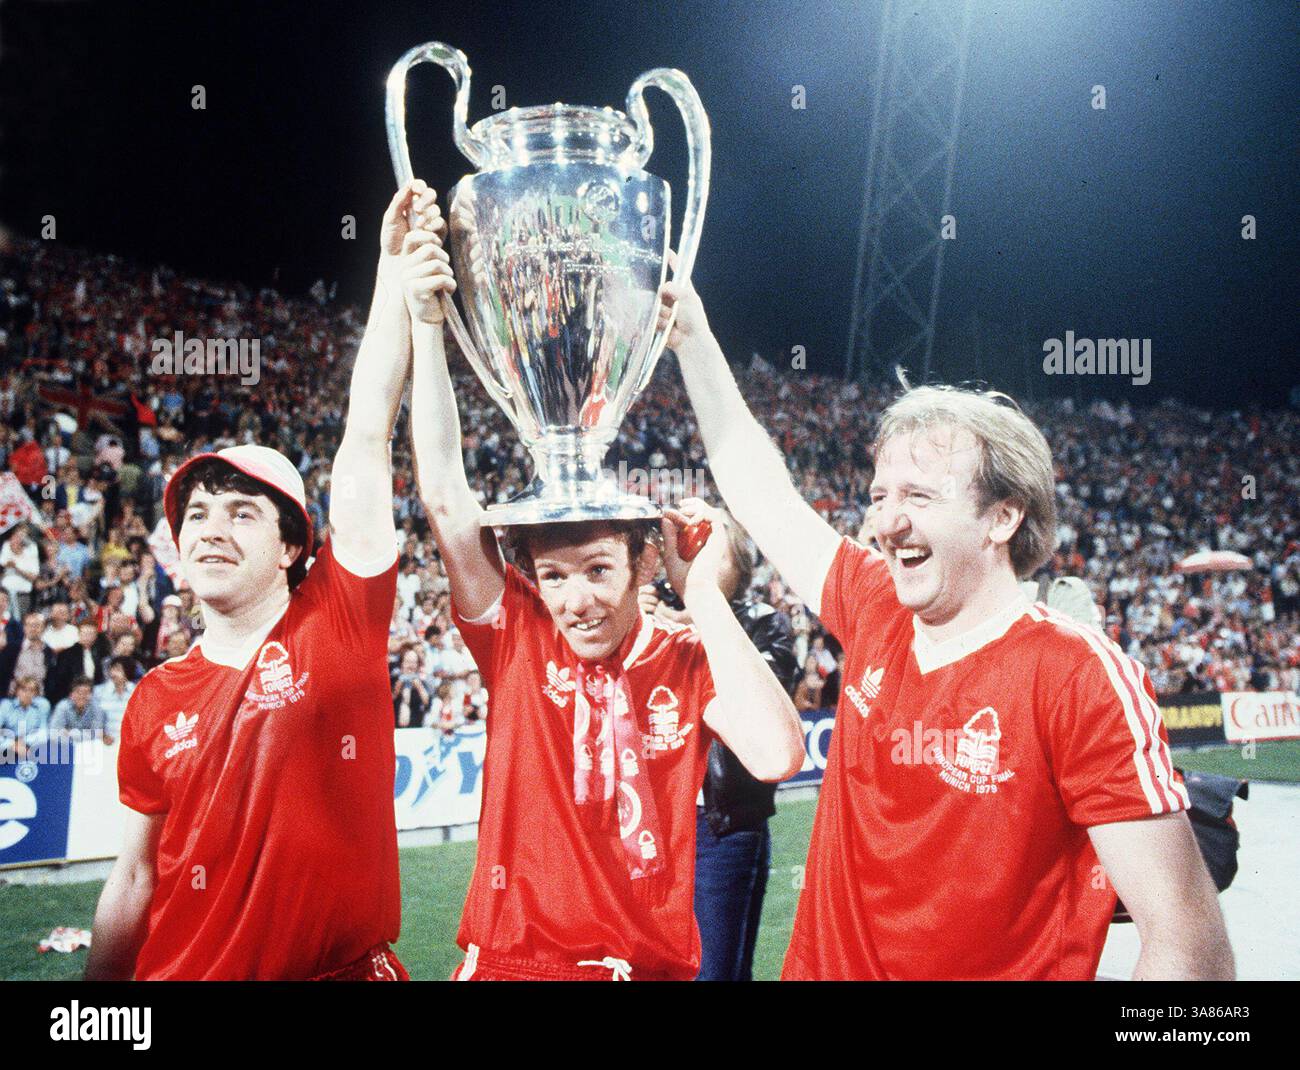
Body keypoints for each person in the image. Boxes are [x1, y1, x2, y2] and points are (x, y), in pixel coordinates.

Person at [659, 273, 1235, 980]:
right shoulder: (873, 604)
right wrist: (693, 338)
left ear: (1003, 516)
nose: (885, 519)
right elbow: (759, 491)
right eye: (879, 495)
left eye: (919, 496)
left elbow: (1191, 952)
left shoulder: (1080, 678)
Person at [402, 200, 805, 981]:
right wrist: (426, 325)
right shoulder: (518, 635)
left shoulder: (689, 655)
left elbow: (777, 751)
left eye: (596, 571)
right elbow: (448, 500)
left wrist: (708, 597)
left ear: (645, 565)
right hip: (516, 965)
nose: (574, 600)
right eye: (553, 576)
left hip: (645, 969)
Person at [83, 181, 438, 982]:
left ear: (290, 548)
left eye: (243, 512)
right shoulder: (153, 700)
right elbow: (134, 878)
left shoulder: (341, 616)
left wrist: (387, 269)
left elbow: (367, 426)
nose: (211, 525)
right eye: (198, 512)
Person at [643, 509, 800, 982]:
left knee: (717, 972)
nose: (699, 544)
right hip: (654, 822)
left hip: (723, 824)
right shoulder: (647, 614)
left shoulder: (765, 622)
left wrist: (688, 617)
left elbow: (762, 710)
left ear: (741, 561)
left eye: (715, 538)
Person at [0, 676, 51, 760]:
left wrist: (24, 741)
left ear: (36, 694)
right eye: (23, 690)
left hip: (29, 747)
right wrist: (12, 744)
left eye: (31, 691)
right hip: (6, 747)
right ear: (17, 692)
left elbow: (43, 734)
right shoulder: (6, 705)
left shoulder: (42, 705)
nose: (27, 694)